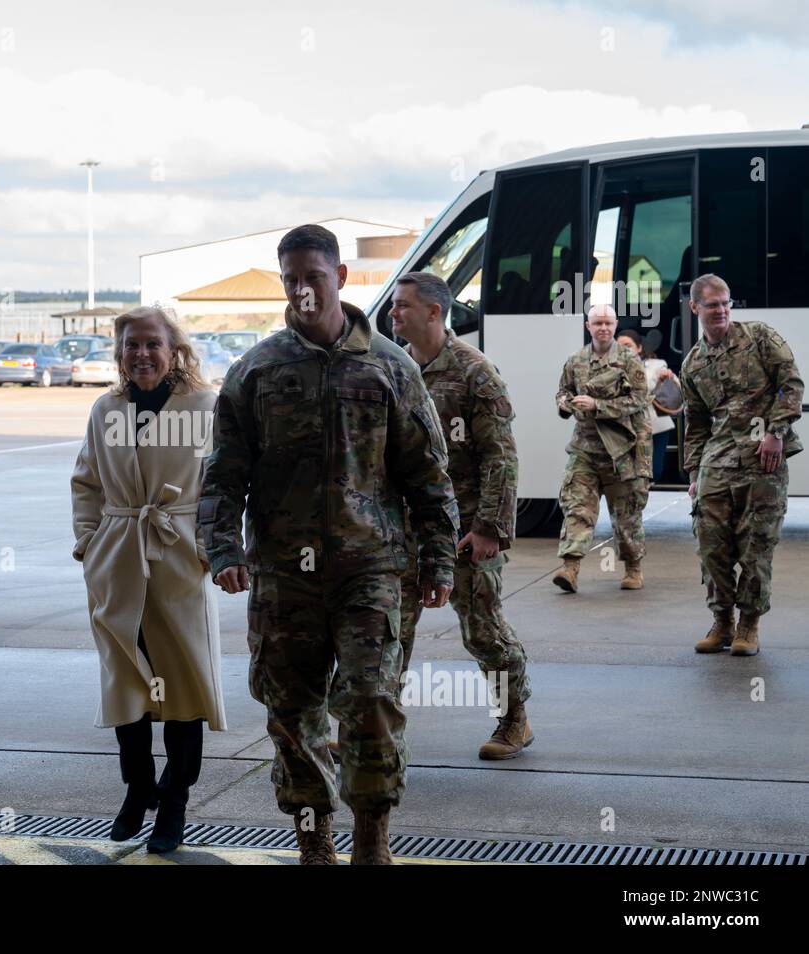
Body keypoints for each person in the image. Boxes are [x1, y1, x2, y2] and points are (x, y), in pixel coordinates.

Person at [200, 224, 459, 865]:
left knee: (370, 700)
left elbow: (428, 473)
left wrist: (438, 557)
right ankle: (314, 838)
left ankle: (372, 836)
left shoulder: (390, 368)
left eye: (313, 277)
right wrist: (223, 548)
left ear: (340, 278)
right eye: (290, 279)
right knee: (291, 708)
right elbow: (224, 473)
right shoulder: (255, 370)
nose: (302, 290)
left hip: (372, 567)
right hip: (285, 573)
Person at [71, 306, 226, 855]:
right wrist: (89, 541)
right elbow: (86, 480)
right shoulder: (106, 408)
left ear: (174, 349)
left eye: (152, 344)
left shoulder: (204, 406)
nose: (141, 354)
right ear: (119, 352)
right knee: (125, 679)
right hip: (116, 555)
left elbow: (221, 485)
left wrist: (210, 549)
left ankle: (176, 800)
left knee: (183, 682)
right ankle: (138, 787)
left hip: (178, 555)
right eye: (131, 345)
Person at [390, 272, 532, 759]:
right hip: (405, 527)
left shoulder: (476, 372)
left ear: (434, 312)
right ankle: (376, 727)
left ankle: (514, 719)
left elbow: (501, 457)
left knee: (483, 630)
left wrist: (489, 527)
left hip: (465, 527)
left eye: (403, 305)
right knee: (389, 628)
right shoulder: (395, 368)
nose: (393, 314)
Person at [681, 273, 802, 656]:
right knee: (711, 544)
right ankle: (722, 622)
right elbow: (697, 424)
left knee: (755, 546)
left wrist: (776, 431)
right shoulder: (693, 364)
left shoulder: (761, 337)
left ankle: (749, 625)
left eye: (726, 303)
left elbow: (791, 384)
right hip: (718, 462)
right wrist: (694, 474)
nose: (721, 311)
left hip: (762, 462)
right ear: (695, 307)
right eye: (713, 304)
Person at [553, 304, 651, 592]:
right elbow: (563, 390)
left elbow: (640, 400)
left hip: (621, 449)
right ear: (588, 326)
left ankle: (633, 568)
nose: (603, 328)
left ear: (616, 325)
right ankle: (569, 568)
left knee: (626, 514)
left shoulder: (629, 360)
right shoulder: (575, 361)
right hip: (585, 448)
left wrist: (599, 405)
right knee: (576, 506)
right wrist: (563, 402)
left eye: (608, 323)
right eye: (598, 323)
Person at [617, 329, 676, 482]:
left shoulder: (657, 365)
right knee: (627, 474)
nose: (623, 349)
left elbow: (642, 390)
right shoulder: (611, 370)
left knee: (653, 472)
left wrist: (662, 377)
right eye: (618, 346)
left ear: (639, 348)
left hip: (655, 427)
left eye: (628, 345)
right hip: (624, 428)